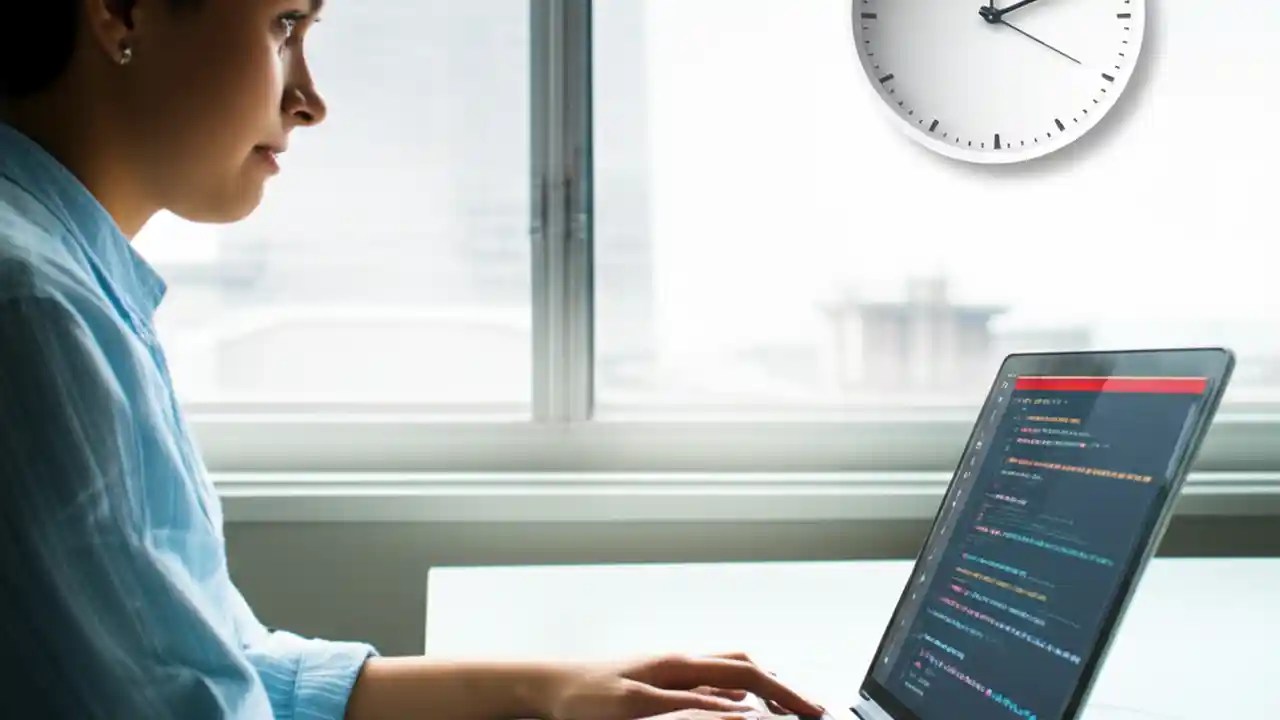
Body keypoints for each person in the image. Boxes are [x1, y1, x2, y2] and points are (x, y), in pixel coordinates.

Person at [0, 1, 829, 718]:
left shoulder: (70, 282)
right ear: (121, 10)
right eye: (282, 24)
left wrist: (555, 686)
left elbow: (230, 674)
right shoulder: (35, 314)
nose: (309, 100)